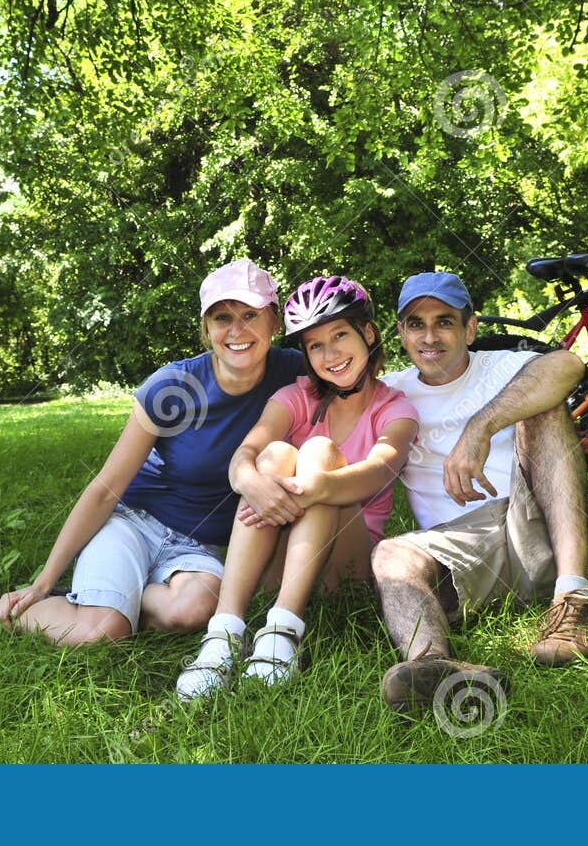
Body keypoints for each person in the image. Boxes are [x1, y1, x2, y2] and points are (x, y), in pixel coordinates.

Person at [0, 259, 306, 646]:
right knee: (100, 631)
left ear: (274, 322)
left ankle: (105, 595)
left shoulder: (296, 372)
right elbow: (106, 487)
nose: (237, 331)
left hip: (198, 546)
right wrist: (44, 580)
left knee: (189, 612)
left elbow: (346, 377)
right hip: (135, 521)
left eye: (250, 315)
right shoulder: (174, 386)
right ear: (206, 328)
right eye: (222, 317)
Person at [174, 276, 418, 699]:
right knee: (272, 456)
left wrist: (317, 486)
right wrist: (252, 482)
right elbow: (245, 455)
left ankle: (283, 631)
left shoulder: (395, 409)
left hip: (347, 567)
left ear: (368, 333)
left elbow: (380, 469)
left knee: (320, 452)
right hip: (281, 562)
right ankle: (223, 634)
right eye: (315, 345)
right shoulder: (296, 396)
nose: (330, 354)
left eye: (340, 335)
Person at [372, 271, 588, 711]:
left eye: (444, 322)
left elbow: (569, 364)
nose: (429, 337)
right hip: (461, 556)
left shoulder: (500, 367)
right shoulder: (393, 392)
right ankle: (433, 666)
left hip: (528, 522)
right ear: (401, 333)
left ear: (470, 328)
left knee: (544, 408)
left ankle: (574, 601)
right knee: (390, 555)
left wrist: (480, 427)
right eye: (416, 324)